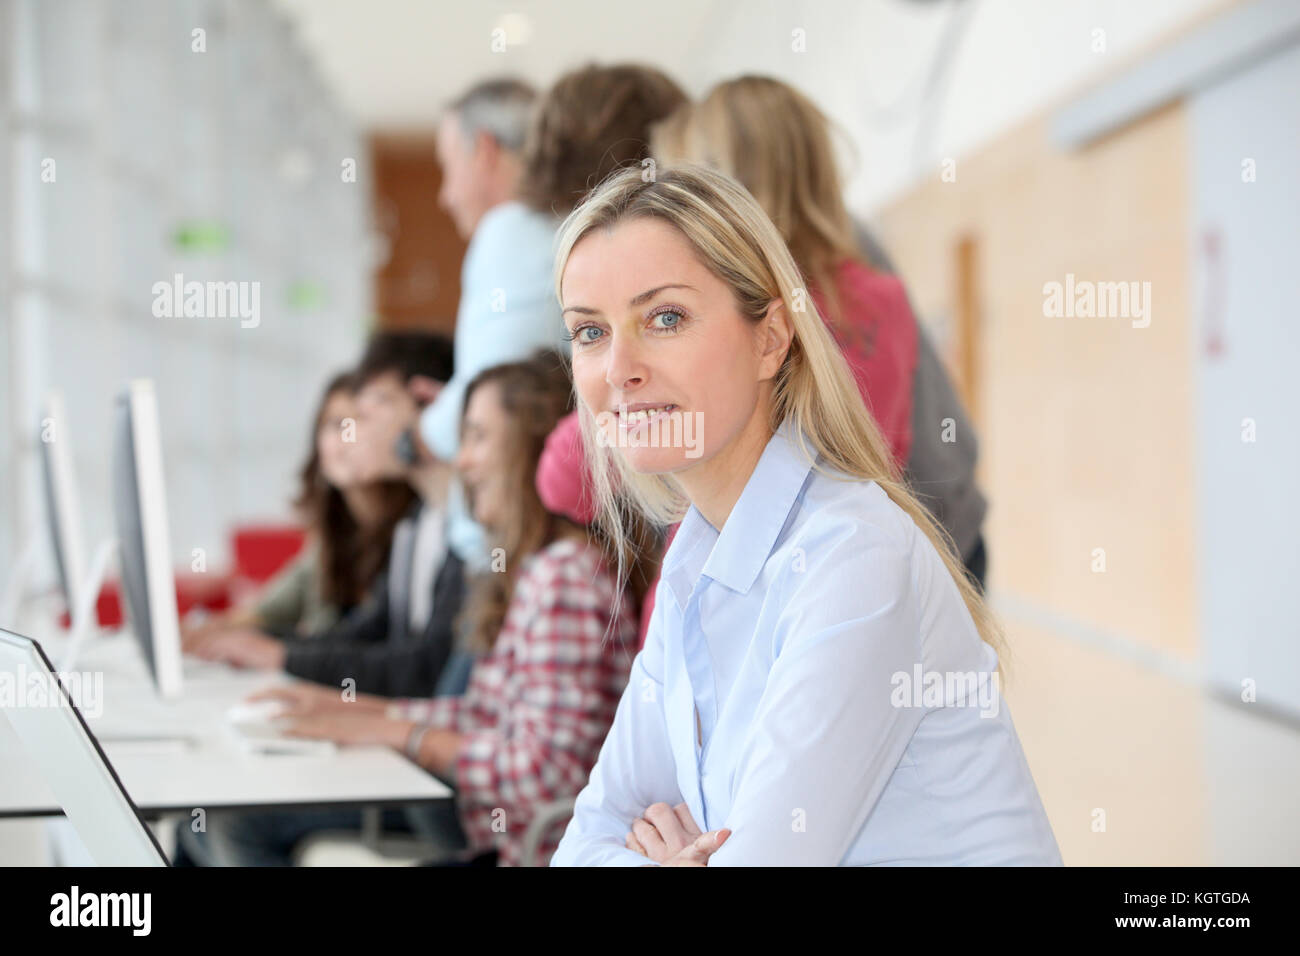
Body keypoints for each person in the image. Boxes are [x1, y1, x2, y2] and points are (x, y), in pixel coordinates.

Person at [546, 164, 1062, 866]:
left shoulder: (855, 556)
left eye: (665, 318)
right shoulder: (694, 562)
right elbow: (584, 842)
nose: (618, 368)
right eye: (589, 332)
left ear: (770, 338)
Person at [244, 353, 649, 866]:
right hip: (504, 842)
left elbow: (546, 774)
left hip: (527, 852)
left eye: (479, 437)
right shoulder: (539, 567)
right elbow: (484, 715)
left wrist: (402, 734)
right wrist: (355, 714)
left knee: (243, 827)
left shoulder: (565, 576)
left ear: (533, 449)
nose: (462, 461)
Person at [420, 68, 688, 569]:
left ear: (484, 149)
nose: (445, 194)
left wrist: (421, 430)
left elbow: (506, 395)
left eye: (447, 166)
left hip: (534, 540)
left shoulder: (521, 234)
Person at [190, 333, 468, 700]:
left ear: (431, 405)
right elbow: (367, 634)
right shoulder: (415, 523)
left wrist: (278, 655)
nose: (357, 431)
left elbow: (425, 669)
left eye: (370, 412)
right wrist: (258, 645)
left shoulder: (468, 531)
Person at [182, 373, 414, 647]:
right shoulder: (331, 537)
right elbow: (265, 612)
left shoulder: (413, 531)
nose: (350, 437)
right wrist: (205, 630)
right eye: (336, 424)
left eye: (362, 422)